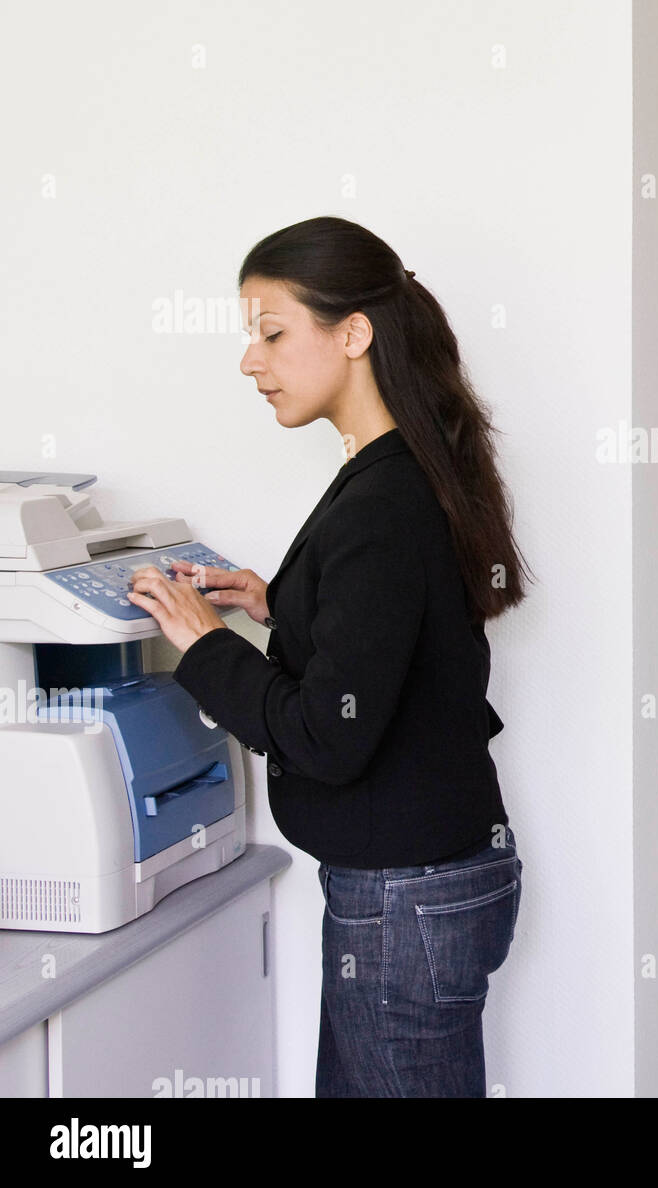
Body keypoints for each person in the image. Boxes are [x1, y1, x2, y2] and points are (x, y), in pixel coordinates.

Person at [127, 215, 532, 1097]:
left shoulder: (384, 498)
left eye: (272, 333)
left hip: (405, 899)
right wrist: (279, 603)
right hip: (427, 882)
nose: (251, 361)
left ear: (353, 334)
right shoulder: (401, 468)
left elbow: (326, 736)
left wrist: (203, 643)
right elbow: (403, 630)